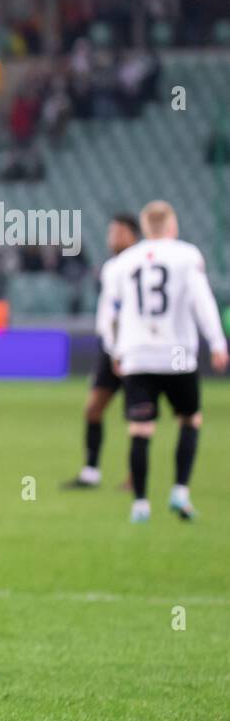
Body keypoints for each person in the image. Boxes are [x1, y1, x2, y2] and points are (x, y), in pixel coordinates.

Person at [96, 200, 228, 523]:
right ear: (172, 226)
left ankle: (140, 504)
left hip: (138, 352)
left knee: (140, 428)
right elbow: (202, 301)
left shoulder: (121, 263)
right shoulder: (187, 256)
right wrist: (217, 342)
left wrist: (115, 350)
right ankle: (180, 491)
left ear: (145, 227)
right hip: (177, 351)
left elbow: (107, 314)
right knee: (189, 419)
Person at [64, 214, 140, 489]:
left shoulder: (138, 266)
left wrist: (121, 349)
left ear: (133, 235)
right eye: (112, 232)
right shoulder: (111, 267)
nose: (113, 237)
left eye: (119, 232)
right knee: (93, 409)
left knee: (137, 416)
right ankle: (90, 472)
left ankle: (135, 476)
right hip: (110, 349)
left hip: (131, 350)